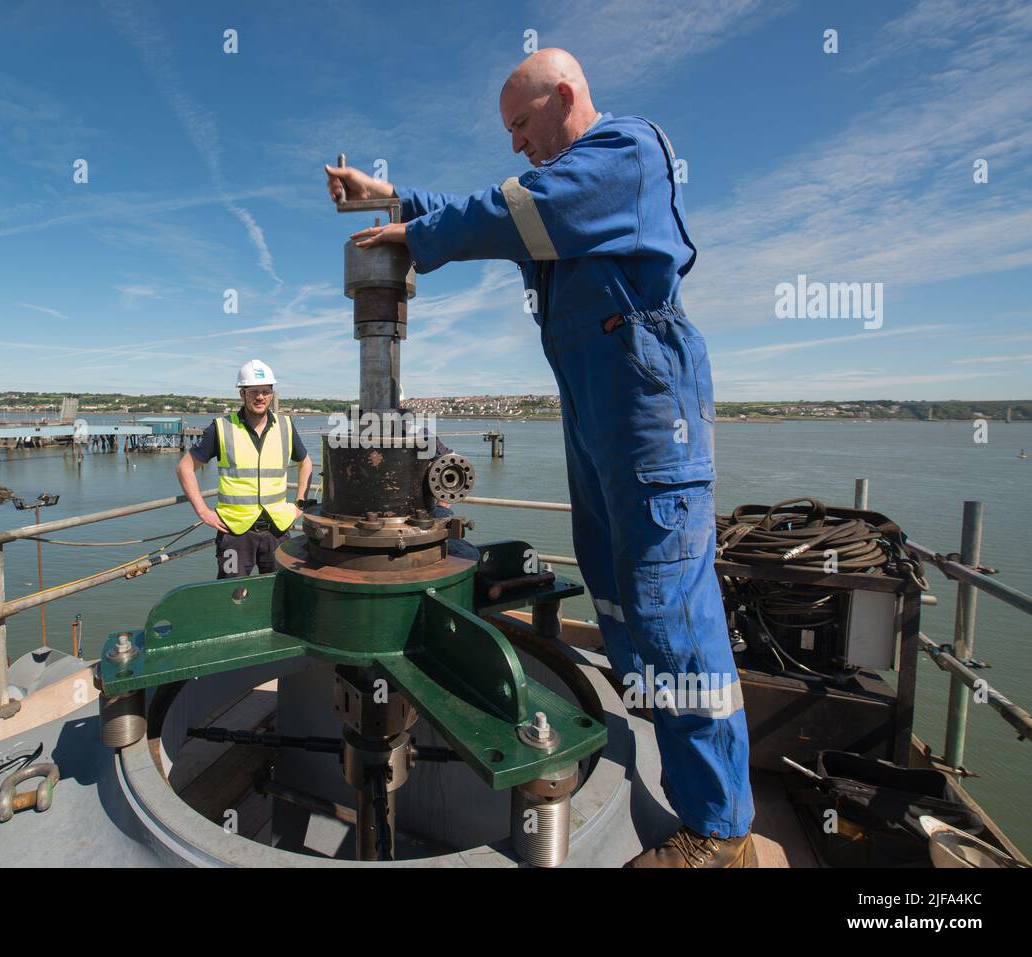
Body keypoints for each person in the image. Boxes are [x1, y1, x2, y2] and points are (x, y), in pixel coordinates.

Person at [325, 48, 756, 867]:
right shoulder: (557, 203)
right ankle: (657, 732)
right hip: (597, 416)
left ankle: (720, 829)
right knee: (617, 587)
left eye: (521, 125)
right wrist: (393, 198)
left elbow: (505, 210)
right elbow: (487, 209)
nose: (516, 144)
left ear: (564, 96)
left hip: (648, 409)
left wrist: (416, 234)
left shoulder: (625, 156)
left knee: (672, 606)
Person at [176, 359, 314, 579]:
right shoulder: (222, 428)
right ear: (242, 394)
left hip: (277, 530)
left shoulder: (285, 426)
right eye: (254, 392)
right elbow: (185, 468)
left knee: (278, 592)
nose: (260, 397)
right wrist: (203, 511)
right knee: (233, 594)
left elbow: (305, 462)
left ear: (272, 394)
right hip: (235, 533)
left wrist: (300, 503)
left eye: (266, 391)